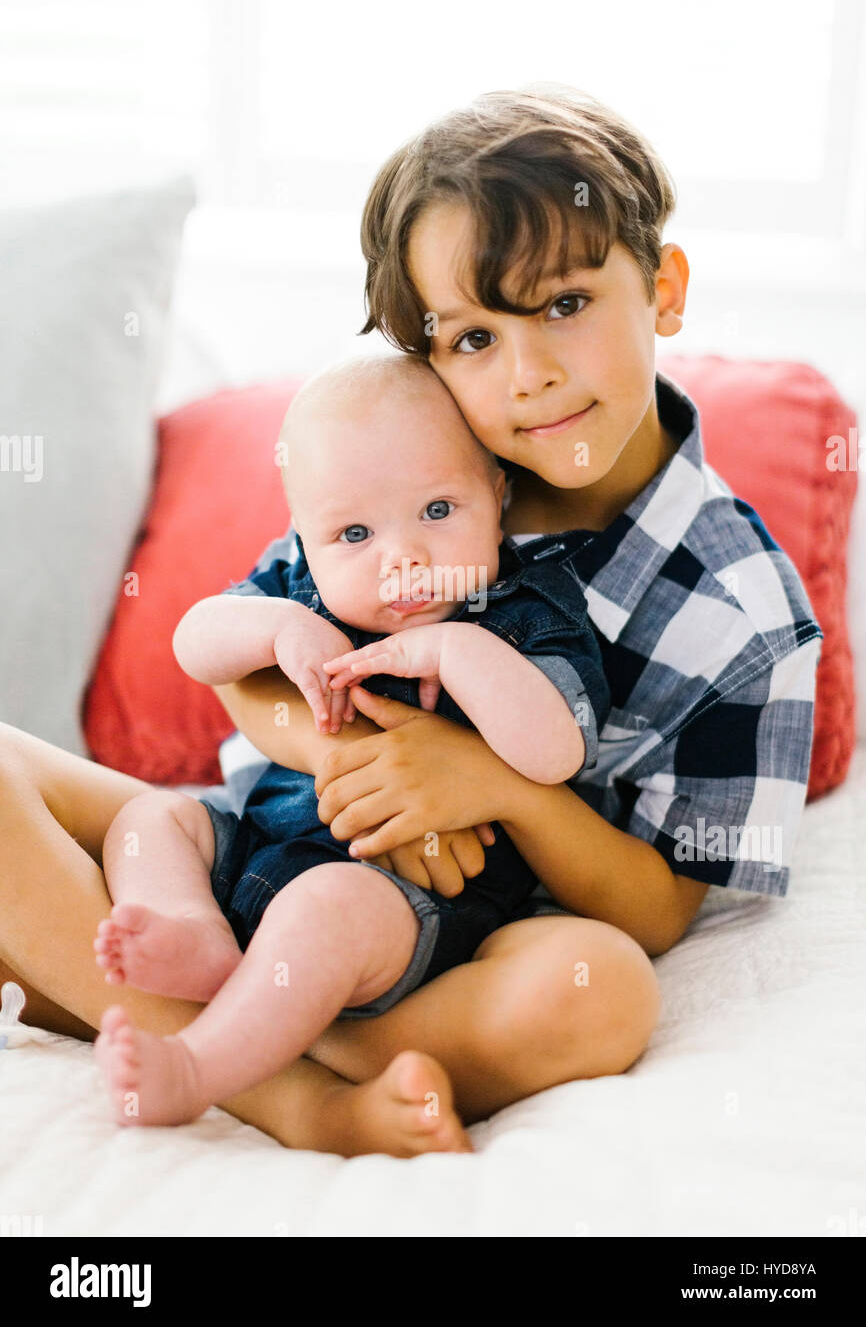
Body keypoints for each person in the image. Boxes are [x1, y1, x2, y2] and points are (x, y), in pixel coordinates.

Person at [0, 84, 820, 1158]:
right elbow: (249, 653)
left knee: (604, 996)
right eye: (473, 338)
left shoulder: (745, 611)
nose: (527, 375)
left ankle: (242, 1035)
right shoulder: (417, 471)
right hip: (268, 834)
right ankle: (283, 1068)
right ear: (424, 358)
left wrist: (484, 788)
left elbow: (662, 906)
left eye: (564, 304)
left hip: (448, 932)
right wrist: (350, 758)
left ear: (660, 286)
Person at [91, 353, 609, 1130]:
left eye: (438, 511)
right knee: (151, 822)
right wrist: (282, 624)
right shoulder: (301, 583)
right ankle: (196, 931)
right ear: (304, 537)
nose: (403, 559)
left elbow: (555, 752)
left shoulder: (526, 608)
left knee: (325, 910)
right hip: (260, 836)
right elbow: (193, 642)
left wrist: (457, 653)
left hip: (396, 900)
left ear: (498, 495)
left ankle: (197, 1067)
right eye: (355, 533)